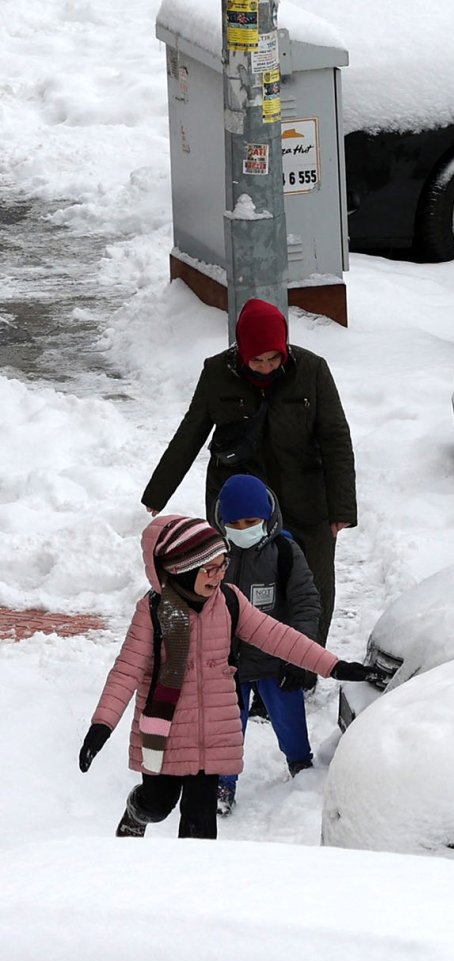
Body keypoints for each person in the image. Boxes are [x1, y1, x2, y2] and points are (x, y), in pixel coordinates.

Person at [77, 516, 380, 839]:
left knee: (200, 827)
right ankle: (137, 813)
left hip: (213, 733)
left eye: (223, 565)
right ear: (182, 568)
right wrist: (102, 725)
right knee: (158, 803)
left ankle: (196, 886)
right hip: (164, 736)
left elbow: (278, 637)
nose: (219, 575)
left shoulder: (229, 601)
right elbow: (127, 670)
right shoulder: (152, 612)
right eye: (210, 569)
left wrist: (332, 666)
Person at [140, 298, 355, 643]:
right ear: (242, 353)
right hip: (240, 502)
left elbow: (336, 439)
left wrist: (341, 509)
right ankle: (242, 659)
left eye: (274, 358)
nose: (267, 367)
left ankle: (303, 663)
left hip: (305, 497)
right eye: (257, 360)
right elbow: (191, 432)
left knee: (309, 583)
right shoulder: (216, 373)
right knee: (239, 584)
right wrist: (158, 492)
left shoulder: (312, 371)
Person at [214, 473, 322, 817]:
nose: (243, 528)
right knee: (227, 727)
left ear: (267, 519)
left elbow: (305, 602)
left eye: (251, 522)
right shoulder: (214, 555)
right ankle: (222, 782)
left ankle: (300, 766)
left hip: (277, 658)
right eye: (235, 523)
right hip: (229, 661)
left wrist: (299, 654)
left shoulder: (285, 552)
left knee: (289, 720)